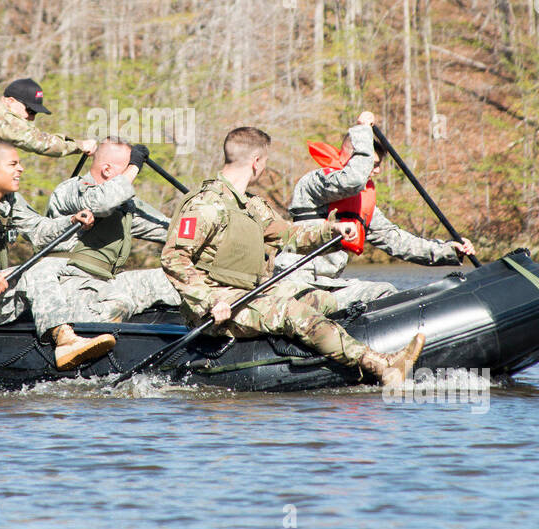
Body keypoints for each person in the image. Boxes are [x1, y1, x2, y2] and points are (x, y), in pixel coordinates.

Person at [161, 126, 424, 387]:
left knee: (322, 300)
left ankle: (340, 347)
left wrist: (330, 231)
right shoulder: (206, 205)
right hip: (214, 308)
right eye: (264, 162)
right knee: (291, 311)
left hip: (248, 293)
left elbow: (289, 236)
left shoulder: (251, 205)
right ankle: (381, 365)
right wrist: (211, 301)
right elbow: (174, 258)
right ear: (256, 162)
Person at [0, 140, 116, 371]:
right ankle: (64, 341)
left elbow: (38, 230)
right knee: (40, 270)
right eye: (13, 164)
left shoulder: (10, 202)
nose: (21, 169)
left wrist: (71, 221)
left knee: (55, 269)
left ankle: (80, 328)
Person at [282, 112, 476, 311]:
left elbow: (396, 240)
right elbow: (353, 179)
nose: (377, 171)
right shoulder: (316, 183)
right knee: (383, 293)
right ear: (354, 156)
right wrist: (362, 129)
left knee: (386, 292)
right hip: (296, 285)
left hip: (327, 286)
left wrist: (449, 251)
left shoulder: (362, 205)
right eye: (373, 164)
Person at [46, 138, 182, 322]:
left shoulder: (124, 207)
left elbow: (168, 229)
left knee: (184, 281)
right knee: (119, 304)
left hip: (106, 281)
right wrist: (135, 166)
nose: (132, 178)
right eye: (128, 170)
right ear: (107, 169)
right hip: (67, 282)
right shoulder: (71, 190)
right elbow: (101, 203)